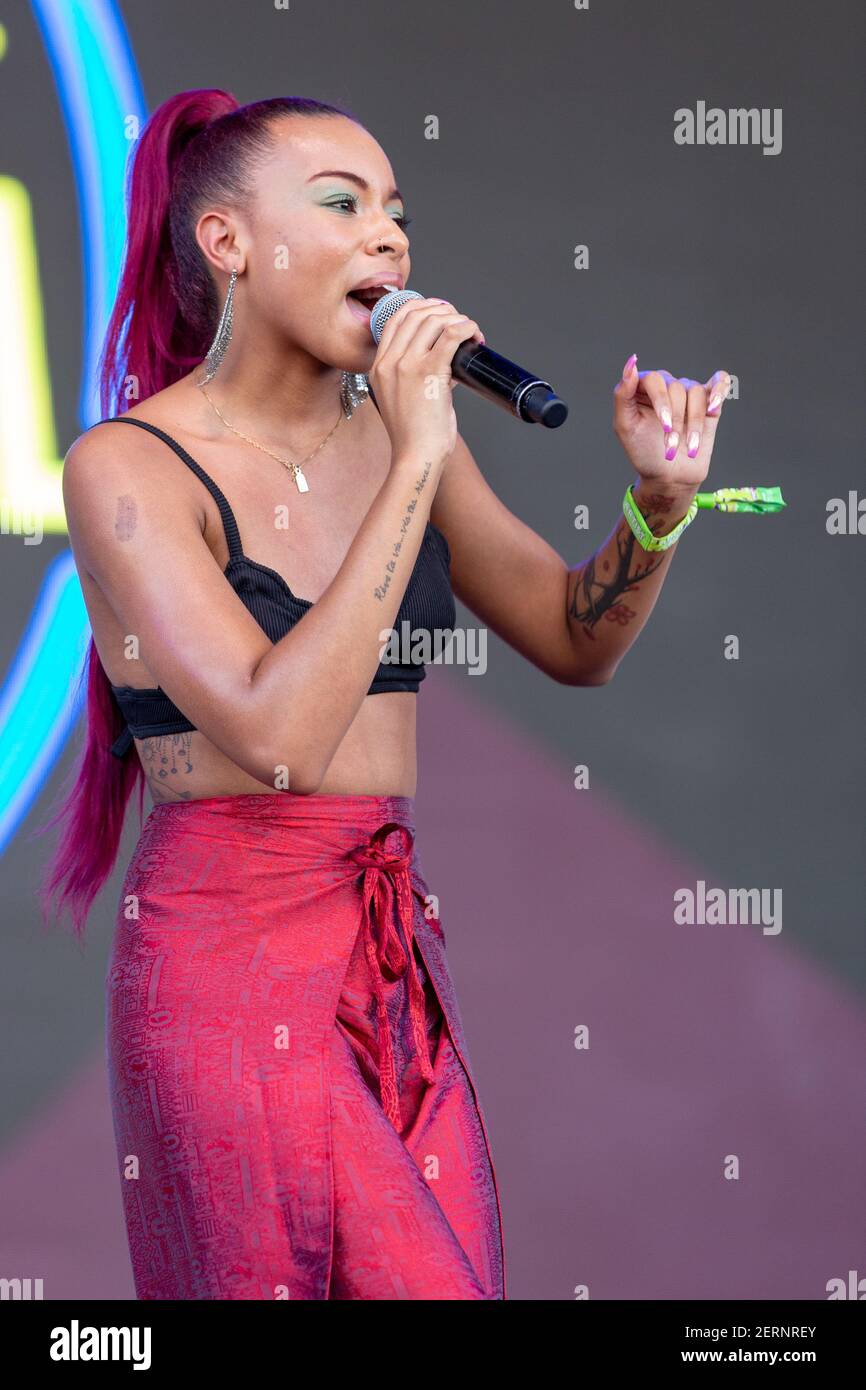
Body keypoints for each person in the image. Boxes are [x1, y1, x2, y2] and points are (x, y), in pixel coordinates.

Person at [40, 88, 729, 1300]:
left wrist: (656, 512)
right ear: (227, 243)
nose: (388, 242)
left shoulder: (400, 441)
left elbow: (577, 638)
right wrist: (414, 454)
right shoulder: (127, 465)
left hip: (386, 959)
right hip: (227, 957)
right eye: (342, 204)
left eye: (397, 217)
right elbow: (275, 734)